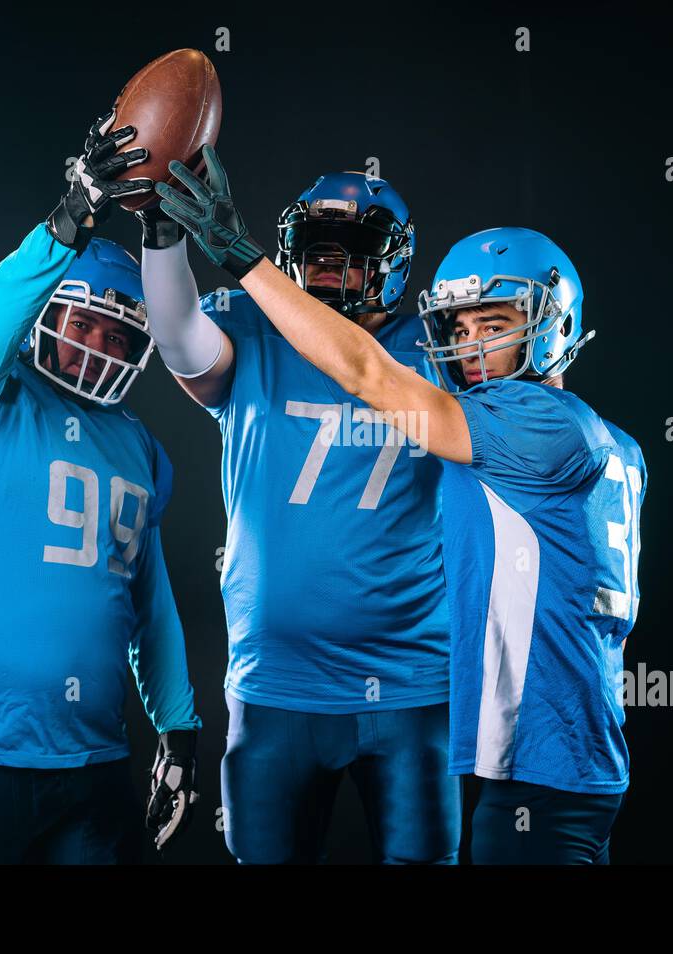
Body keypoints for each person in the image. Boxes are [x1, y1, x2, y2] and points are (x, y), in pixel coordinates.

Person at [158, 147, 646, 864]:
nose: (475, 346)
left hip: (532, 748)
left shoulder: (526, 426)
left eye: (497, 322)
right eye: (463, 328)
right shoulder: (611, 441)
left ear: (555, 322)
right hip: (552, 749)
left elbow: (364, 370)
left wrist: (236, 252)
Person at [0, 111, 200, 864]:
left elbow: (147, 600)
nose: (99, 347)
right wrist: (66, 224)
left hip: (95, 761)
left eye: (119, 336)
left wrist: (179, 726)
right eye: (83, 324)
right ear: (43, 313)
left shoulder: (134, 444)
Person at [135, 168, 459, 864]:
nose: (327, 263)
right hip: (277, 684)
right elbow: (179, 341)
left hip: (413, 686)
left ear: (394, 262)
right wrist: (162, 237)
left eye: (348, 248)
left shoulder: (432, 349)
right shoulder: (251, 324)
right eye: (313, 248)